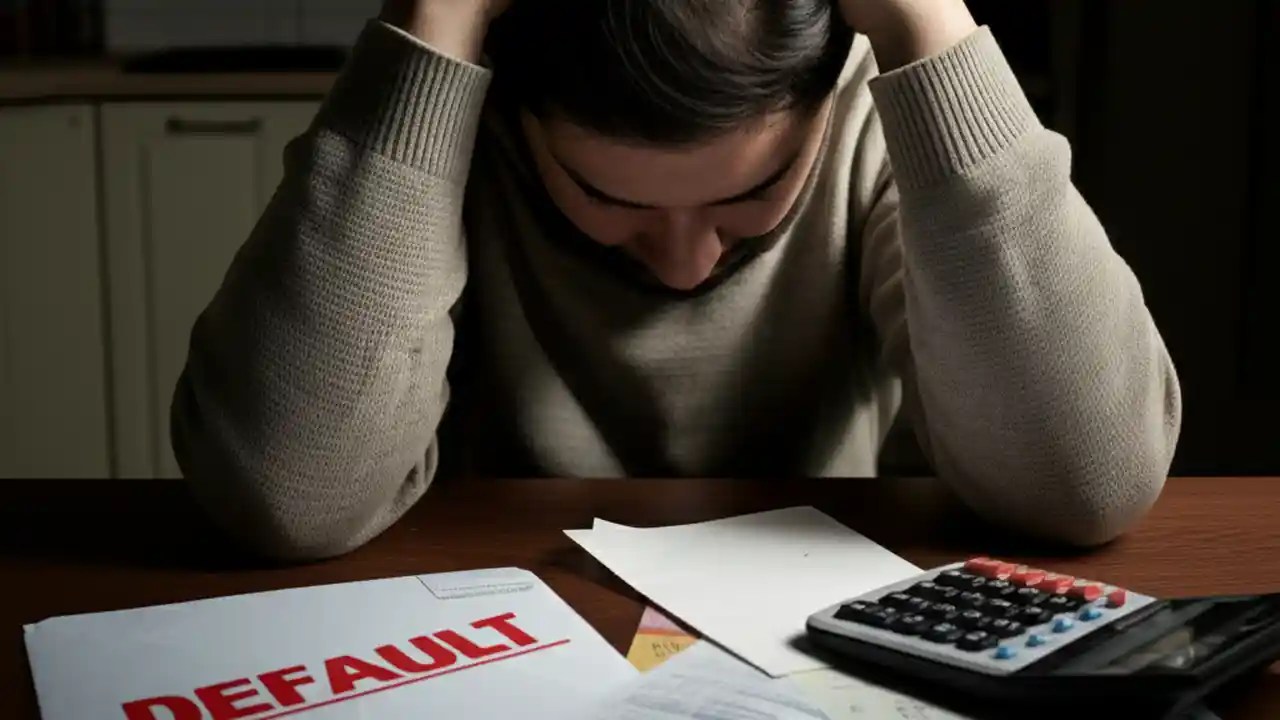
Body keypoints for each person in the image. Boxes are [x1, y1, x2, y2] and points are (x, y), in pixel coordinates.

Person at [170, 0, 1183, 561]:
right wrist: (430, 25)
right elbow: (285, 500)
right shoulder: (453, 135)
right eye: (607, 199)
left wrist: (930, 30)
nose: (686, 261)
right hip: (489, 622)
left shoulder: (870, 121)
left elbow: (1081, 489)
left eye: (752, 198)